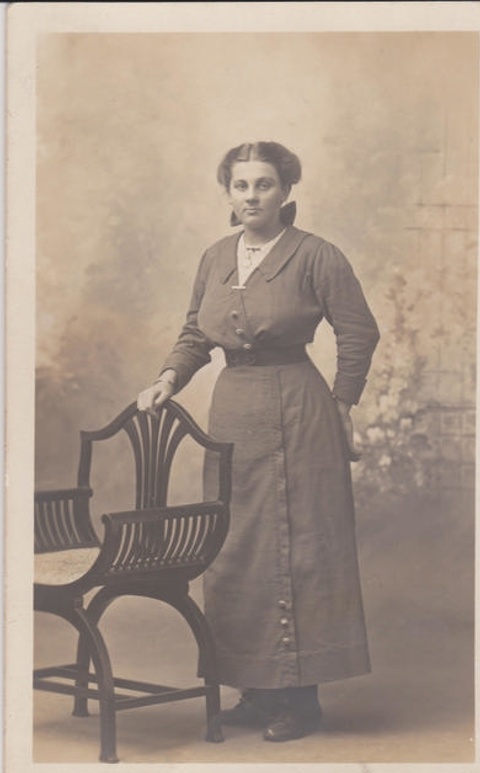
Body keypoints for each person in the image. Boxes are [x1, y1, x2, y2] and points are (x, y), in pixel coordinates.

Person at [137, 141, 380, 742]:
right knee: (237, 547)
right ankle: (254, 689)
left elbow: (359, 331)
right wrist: (168, 378)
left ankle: (298, 700)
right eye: (241, 185)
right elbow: (195, 333)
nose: (252, 196)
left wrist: (342, 403)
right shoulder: (215, 257)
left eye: (264, 184)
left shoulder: (316, 255)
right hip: (234, 415)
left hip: (299, 410)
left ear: (286, 191)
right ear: (228, 191)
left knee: (298, 547)